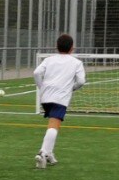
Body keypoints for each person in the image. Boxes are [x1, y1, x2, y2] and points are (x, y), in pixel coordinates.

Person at [33, 34, 87, 169]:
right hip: (60, 97)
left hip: (45, 97)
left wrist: (41, 87)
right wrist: (72, 88)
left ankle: (49, 154)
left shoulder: (49, 59)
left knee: (52, 123)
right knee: (54, 125)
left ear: (56, 47)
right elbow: (81, 81)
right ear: (72, 48)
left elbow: (36, 73)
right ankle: (43, 153)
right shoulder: (76, 62)